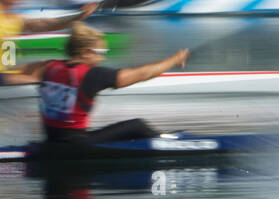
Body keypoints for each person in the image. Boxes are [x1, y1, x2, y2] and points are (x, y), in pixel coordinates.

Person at [29, 22, 189, 145]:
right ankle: (169, 142)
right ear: (85, 52)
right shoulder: (93, 74)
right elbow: (142, 74)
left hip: (50, 142)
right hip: (77, 146)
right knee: (137, 125)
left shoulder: (48, 67)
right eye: (101, 53)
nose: (103, 58)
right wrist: (174, 60)